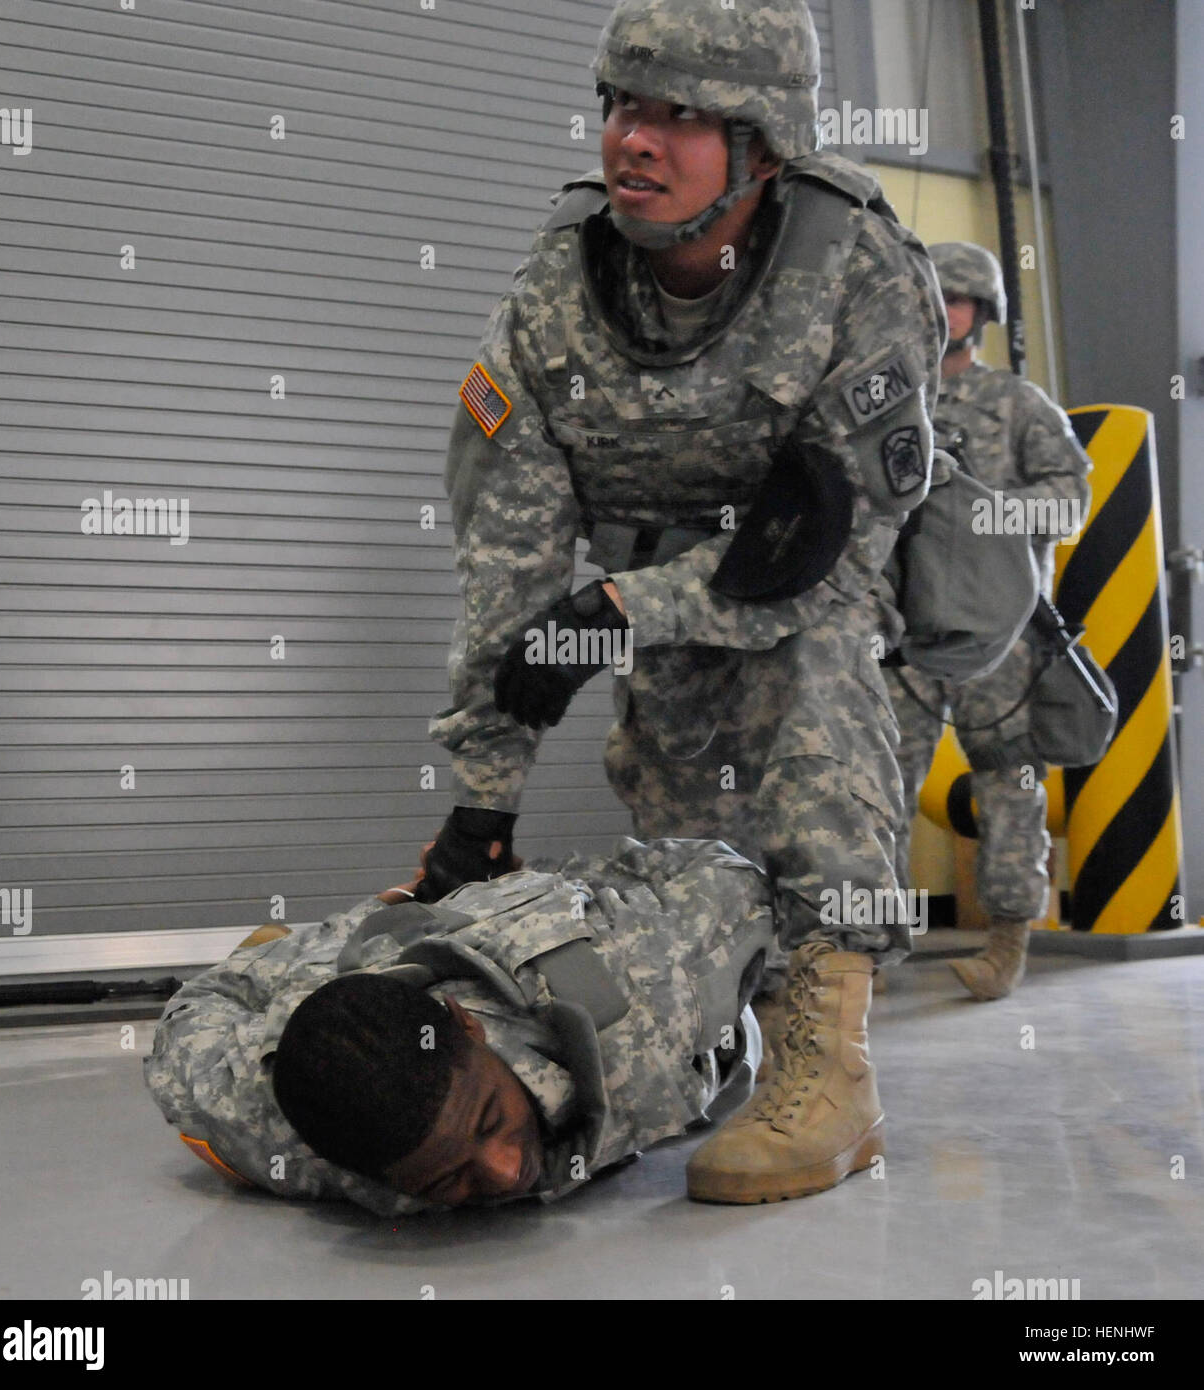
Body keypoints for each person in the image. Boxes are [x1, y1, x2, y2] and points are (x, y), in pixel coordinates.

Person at [417, 0, 946, 1203]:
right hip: (659, 602)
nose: (632, 142)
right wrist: (478, 807)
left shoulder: (858, 272)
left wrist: (611, 610)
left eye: (679, 117)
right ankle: (731, 1030)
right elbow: (506, 565)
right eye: (621, 107)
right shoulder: (556, 297)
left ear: (762, 145)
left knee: (814, 691)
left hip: (817, 583)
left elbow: (815, 561)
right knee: (683, 833)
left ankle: (836, 1070)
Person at [144, 838, 773, 1212]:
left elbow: (734, 876)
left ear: (463, 1027)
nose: (504, 1171)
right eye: (448, 1180)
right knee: (301, 964)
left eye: (491, 1118)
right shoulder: (267, 1133)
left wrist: (597, 885)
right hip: (348, 972)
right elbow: (192, 1009)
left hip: (549, 942)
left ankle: (413, 906)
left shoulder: (648, 988)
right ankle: (371, 928)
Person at [888, 242, 1092, 1001]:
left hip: (996, 634)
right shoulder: (887, 397)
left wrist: (999, 517)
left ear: (984, 313)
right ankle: (862, 954)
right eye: (935, 298)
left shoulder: (1017, 406)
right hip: (900, 635)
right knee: (876, 787)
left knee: (1008, 783)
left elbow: (1070, 497)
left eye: (960, 300)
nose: (945, 312)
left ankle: (1006, 942)